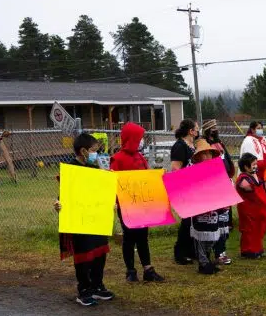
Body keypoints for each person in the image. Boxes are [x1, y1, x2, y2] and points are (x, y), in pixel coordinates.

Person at [56, 133, 113, 306]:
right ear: (83, 151)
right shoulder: (71, 170)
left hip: (96, 217)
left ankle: (97, 285)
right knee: (84, 255)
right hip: (80, 220)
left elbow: (101, 192)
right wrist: (59, 204)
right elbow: (65, 196)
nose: (97, 154)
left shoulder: (95, 168)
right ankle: (84, 289)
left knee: (100, 252)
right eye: (94, 150)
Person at [110, 122, 164, 283]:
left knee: (142, 237)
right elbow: (114, 183)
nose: (141, 141)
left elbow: (146, 178)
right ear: (131, 138)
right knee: (129, 237)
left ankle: (148, 269)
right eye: (139, 138)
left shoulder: (140, 157)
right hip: (127, 205)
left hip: (142, 204)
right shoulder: (117, 159)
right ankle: (131, 271)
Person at [188, 139, 228, 273]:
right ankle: (203, 263)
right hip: (200, 209)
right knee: (201, 236)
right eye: (204, 154)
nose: (207, 156)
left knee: (211, 235)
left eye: (209, 154)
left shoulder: (216, 170)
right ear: (198, 156)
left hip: (214, 209)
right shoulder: (193, 171)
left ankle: (207, 259)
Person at [202, 119, 234, 266]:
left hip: (225, 182)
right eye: (212, 128)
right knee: (215, 221)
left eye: (216, 127)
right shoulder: (204, 145)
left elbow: (226, 160)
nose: (215, 130)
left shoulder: (219, 142)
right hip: (213, 185)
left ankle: (221, 251)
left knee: (224, 220)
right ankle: (212, 252)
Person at [170, 119, 199, 265]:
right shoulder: (179, 146)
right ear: (190, 131)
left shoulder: (193, 145)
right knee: (187, 221)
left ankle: (192, 249)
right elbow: (176, 168)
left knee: (195, 220)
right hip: (185, 187)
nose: (198, 131)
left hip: (195, 187)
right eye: (196, 128)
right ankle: (180, 252)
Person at [235, 153, 266, 259]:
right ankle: (248, 251)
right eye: (254, 164)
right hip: (247, 209)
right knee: (249, 230)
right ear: (246, 167)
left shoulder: (253, 175)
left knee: (257, 229)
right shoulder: (243, 179)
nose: (256, 166)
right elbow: (251, 189)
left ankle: (257, 249)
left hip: (256, 209)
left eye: (256, 164)